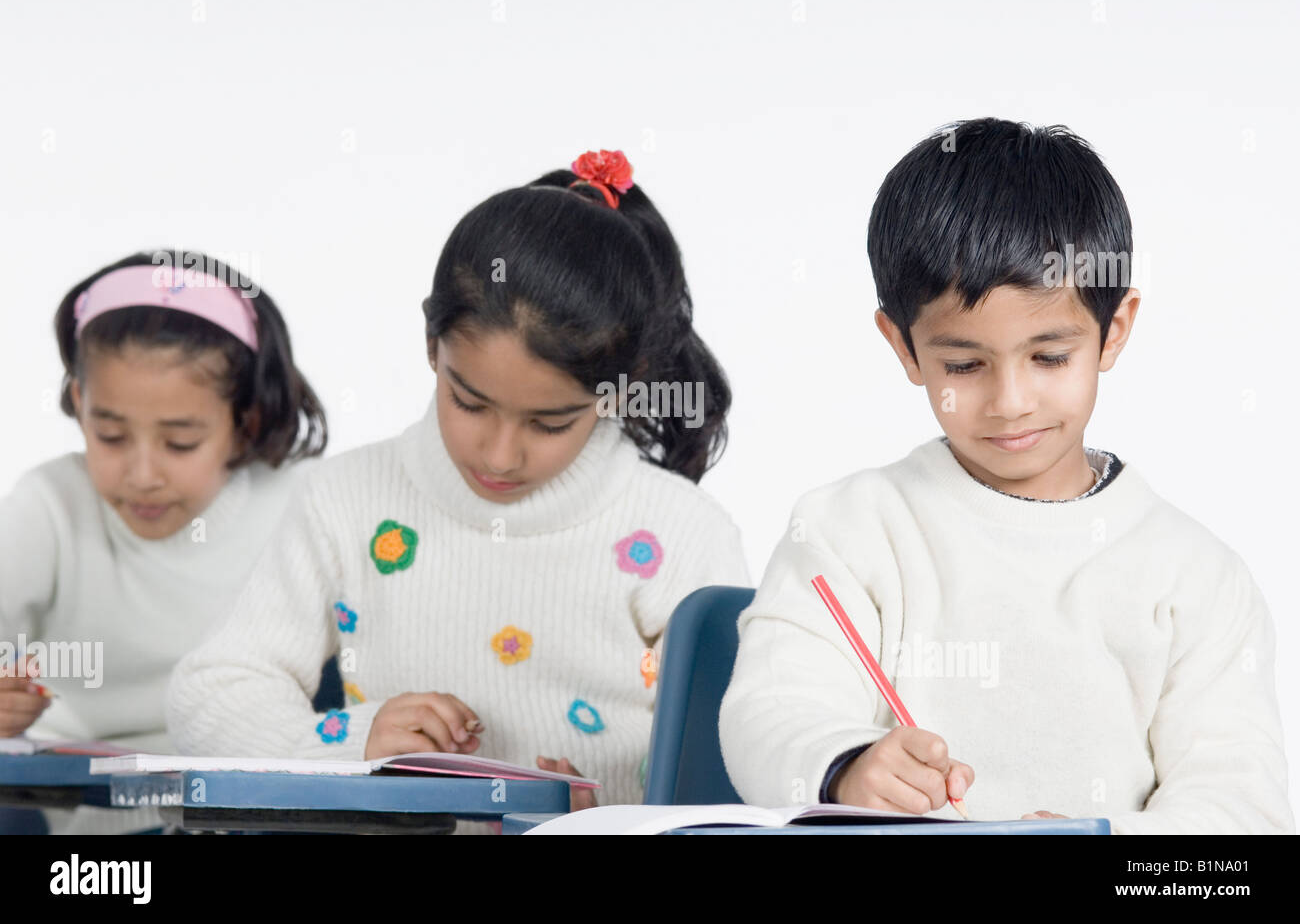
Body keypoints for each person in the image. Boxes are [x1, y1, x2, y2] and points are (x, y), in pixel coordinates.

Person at [718, 119, 1292, 834]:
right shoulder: (848, 531)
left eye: (1049, 356)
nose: (1010, 400)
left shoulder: (1198, 578)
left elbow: (1240, 805)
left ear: (1114, 331)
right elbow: (770, 708)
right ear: (902, 345)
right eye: (963, 364)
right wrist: (844, 762)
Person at [167, 150, 750, 830]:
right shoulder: (346, 499)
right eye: (469, 401)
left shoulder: (681, 532)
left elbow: (739, 758)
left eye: (550, 421)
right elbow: (208, 693)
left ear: (621, 386)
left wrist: (614, 822)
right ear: (431, 346)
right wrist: (354, 744)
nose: (500, 454)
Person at [0, 249, 326, 832]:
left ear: (245, 420)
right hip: (72, 809)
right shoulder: (50, 505)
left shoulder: (300, 503)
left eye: (180, 443)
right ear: (79, 403)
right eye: (111, 435)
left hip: (241, 804)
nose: (143, 473)